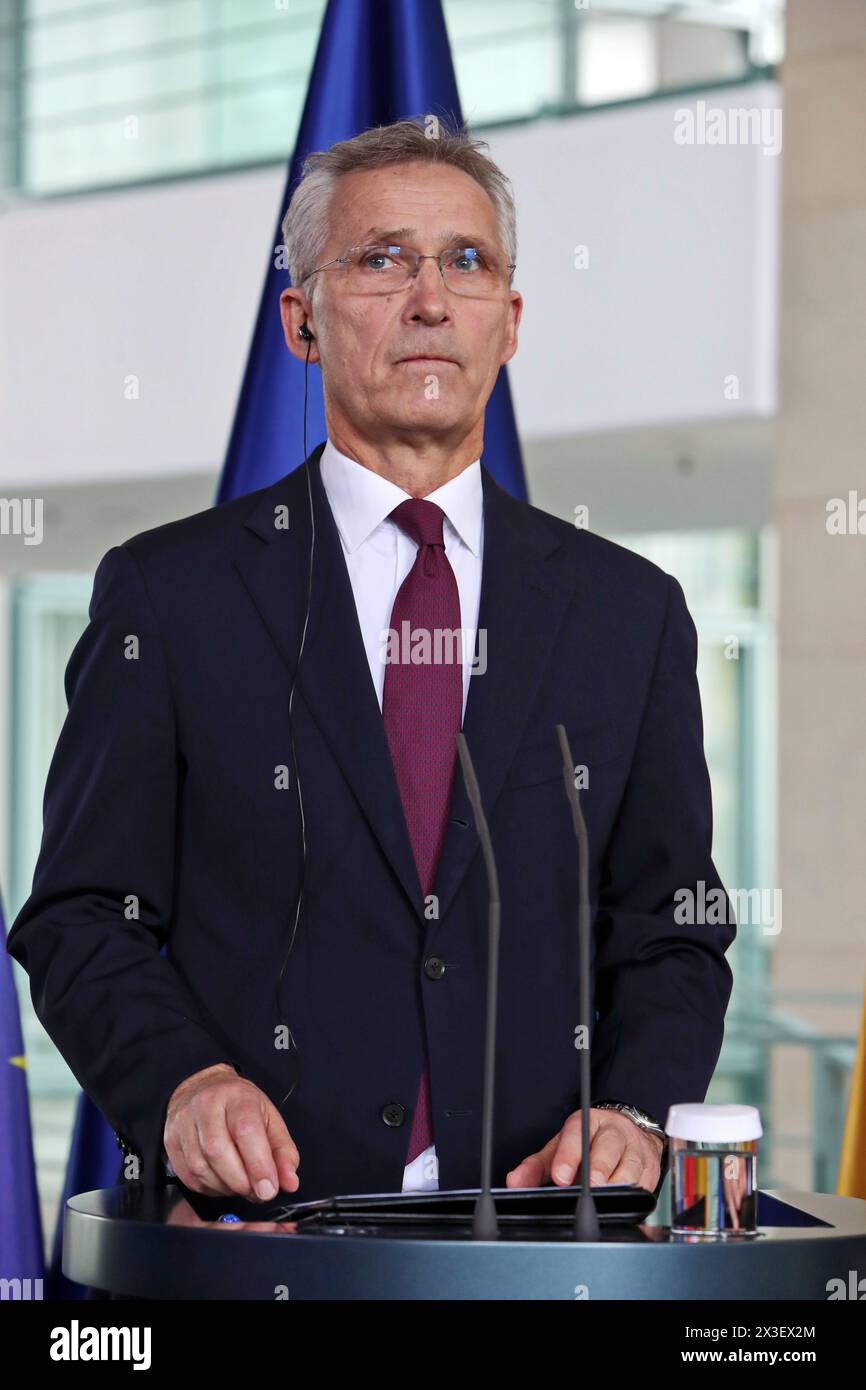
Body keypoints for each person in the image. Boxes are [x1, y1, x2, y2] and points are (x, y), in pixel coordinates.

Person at [7, 118, 734, 1207]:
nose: (430, 299)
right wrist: (182, 1083)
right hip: (258, 1235)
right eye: (382, 259)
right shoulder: (171, 595)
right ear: (300, 319)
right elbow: (79, 915)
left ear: (509, 323)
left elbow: (671, 925)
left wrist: (632, 1109)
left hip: (542, 1237)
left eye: (467, 263)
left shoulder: (628, 613)